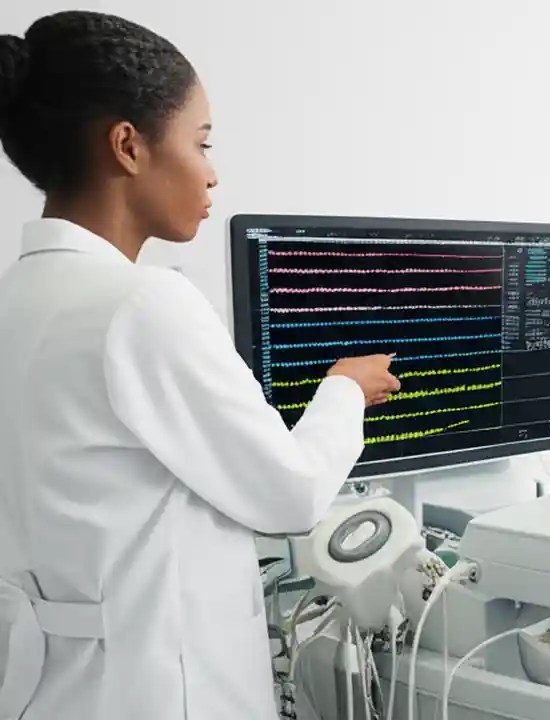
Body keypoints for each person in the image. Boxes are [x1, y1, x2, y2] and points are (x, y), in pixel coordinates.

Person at [0, 11, 399, 719]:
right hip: (162, 691)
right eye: (201, 141)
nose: (212, 172)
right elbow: (291, 495)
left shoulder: (17, 297)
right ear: (128, 145)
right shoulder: (143, 304)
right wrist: (343, 389)